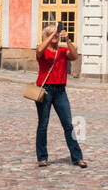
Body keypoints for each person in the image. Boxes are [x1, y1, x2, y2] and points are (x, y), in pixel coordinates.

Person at [34, 23, 87, 168]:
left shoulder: (62, 51)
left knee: (68, 124)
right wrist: (52, 34)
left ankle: (77, 157)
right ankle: (42, 157)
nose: (56, 35)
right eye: (53, 33)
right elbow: (39, 50)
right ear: (47, 35)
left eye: (57, 33)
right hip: (45, 90)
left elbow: (75, 56)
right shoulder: (43, 51)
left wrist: (68, 39)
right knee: (43, 124)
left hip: (60, 91)